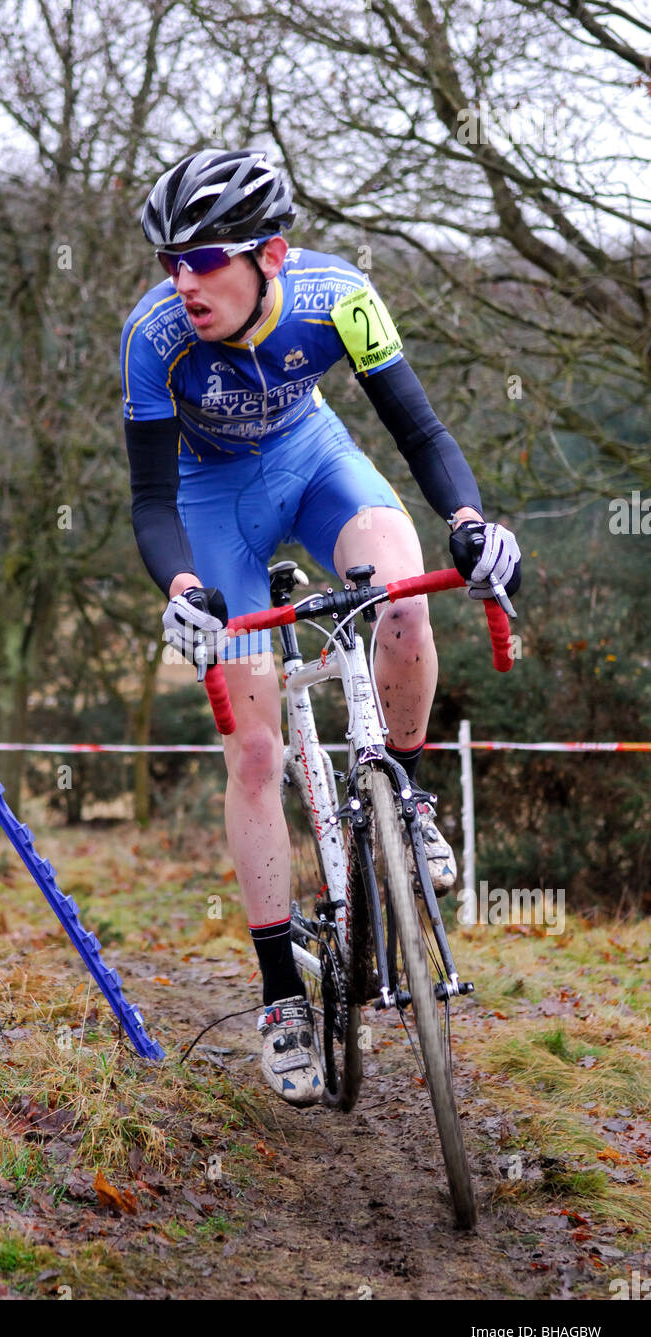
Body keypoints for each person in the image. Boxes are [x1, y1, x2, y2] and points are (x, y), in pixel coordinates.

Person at [120, 149, 520, 1106]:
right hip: (214, 508)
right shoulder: (153, 333)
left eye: (206, 258)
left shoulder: (341, 297)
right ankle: (278, 997)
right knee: (255, 756)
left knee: (404, 593)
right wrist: (181, 586)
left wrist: (469, 524)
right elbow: (147, 497)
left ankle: (407, 796)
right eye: (172, 259)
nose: (185, 281)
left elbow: (420, 433)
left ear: (273, 253)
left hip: (315, 461)